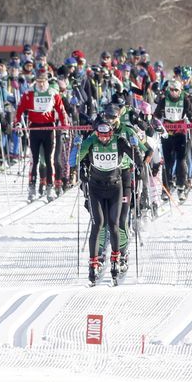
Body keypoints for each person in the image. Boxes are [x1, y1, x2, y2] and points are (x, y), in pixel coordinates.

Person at [77, 120, 134, 285]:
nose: (103, 140)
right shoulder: (91, 141)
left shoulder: (119, 141)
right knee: (98, 224)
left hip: (116, 188)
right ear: (97, 134)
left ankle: (116, 259)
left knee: (114, 224)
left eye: (106, 136)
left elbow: (134, 157)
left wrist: (135, 148)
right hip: (96, 189)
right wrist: (80, 165)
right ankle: (93, 263)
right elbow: (76, 159)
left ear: (111, 134)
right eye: (100, 136)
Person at [14, 70, 69, 202]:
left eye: (43, 82)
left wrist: (65, 128)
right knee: (34, 160)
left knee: (49, 160)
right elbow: (19, 110)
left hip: (49, 128)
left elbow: (61, 111)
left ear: (47, 81)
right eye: (38, 82)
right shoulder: (29, 93)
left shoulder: (53, 93)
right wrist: (17, 124)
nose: (41, 84)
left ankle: (49, 187)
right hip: (34, 128)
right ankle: (32, 187)